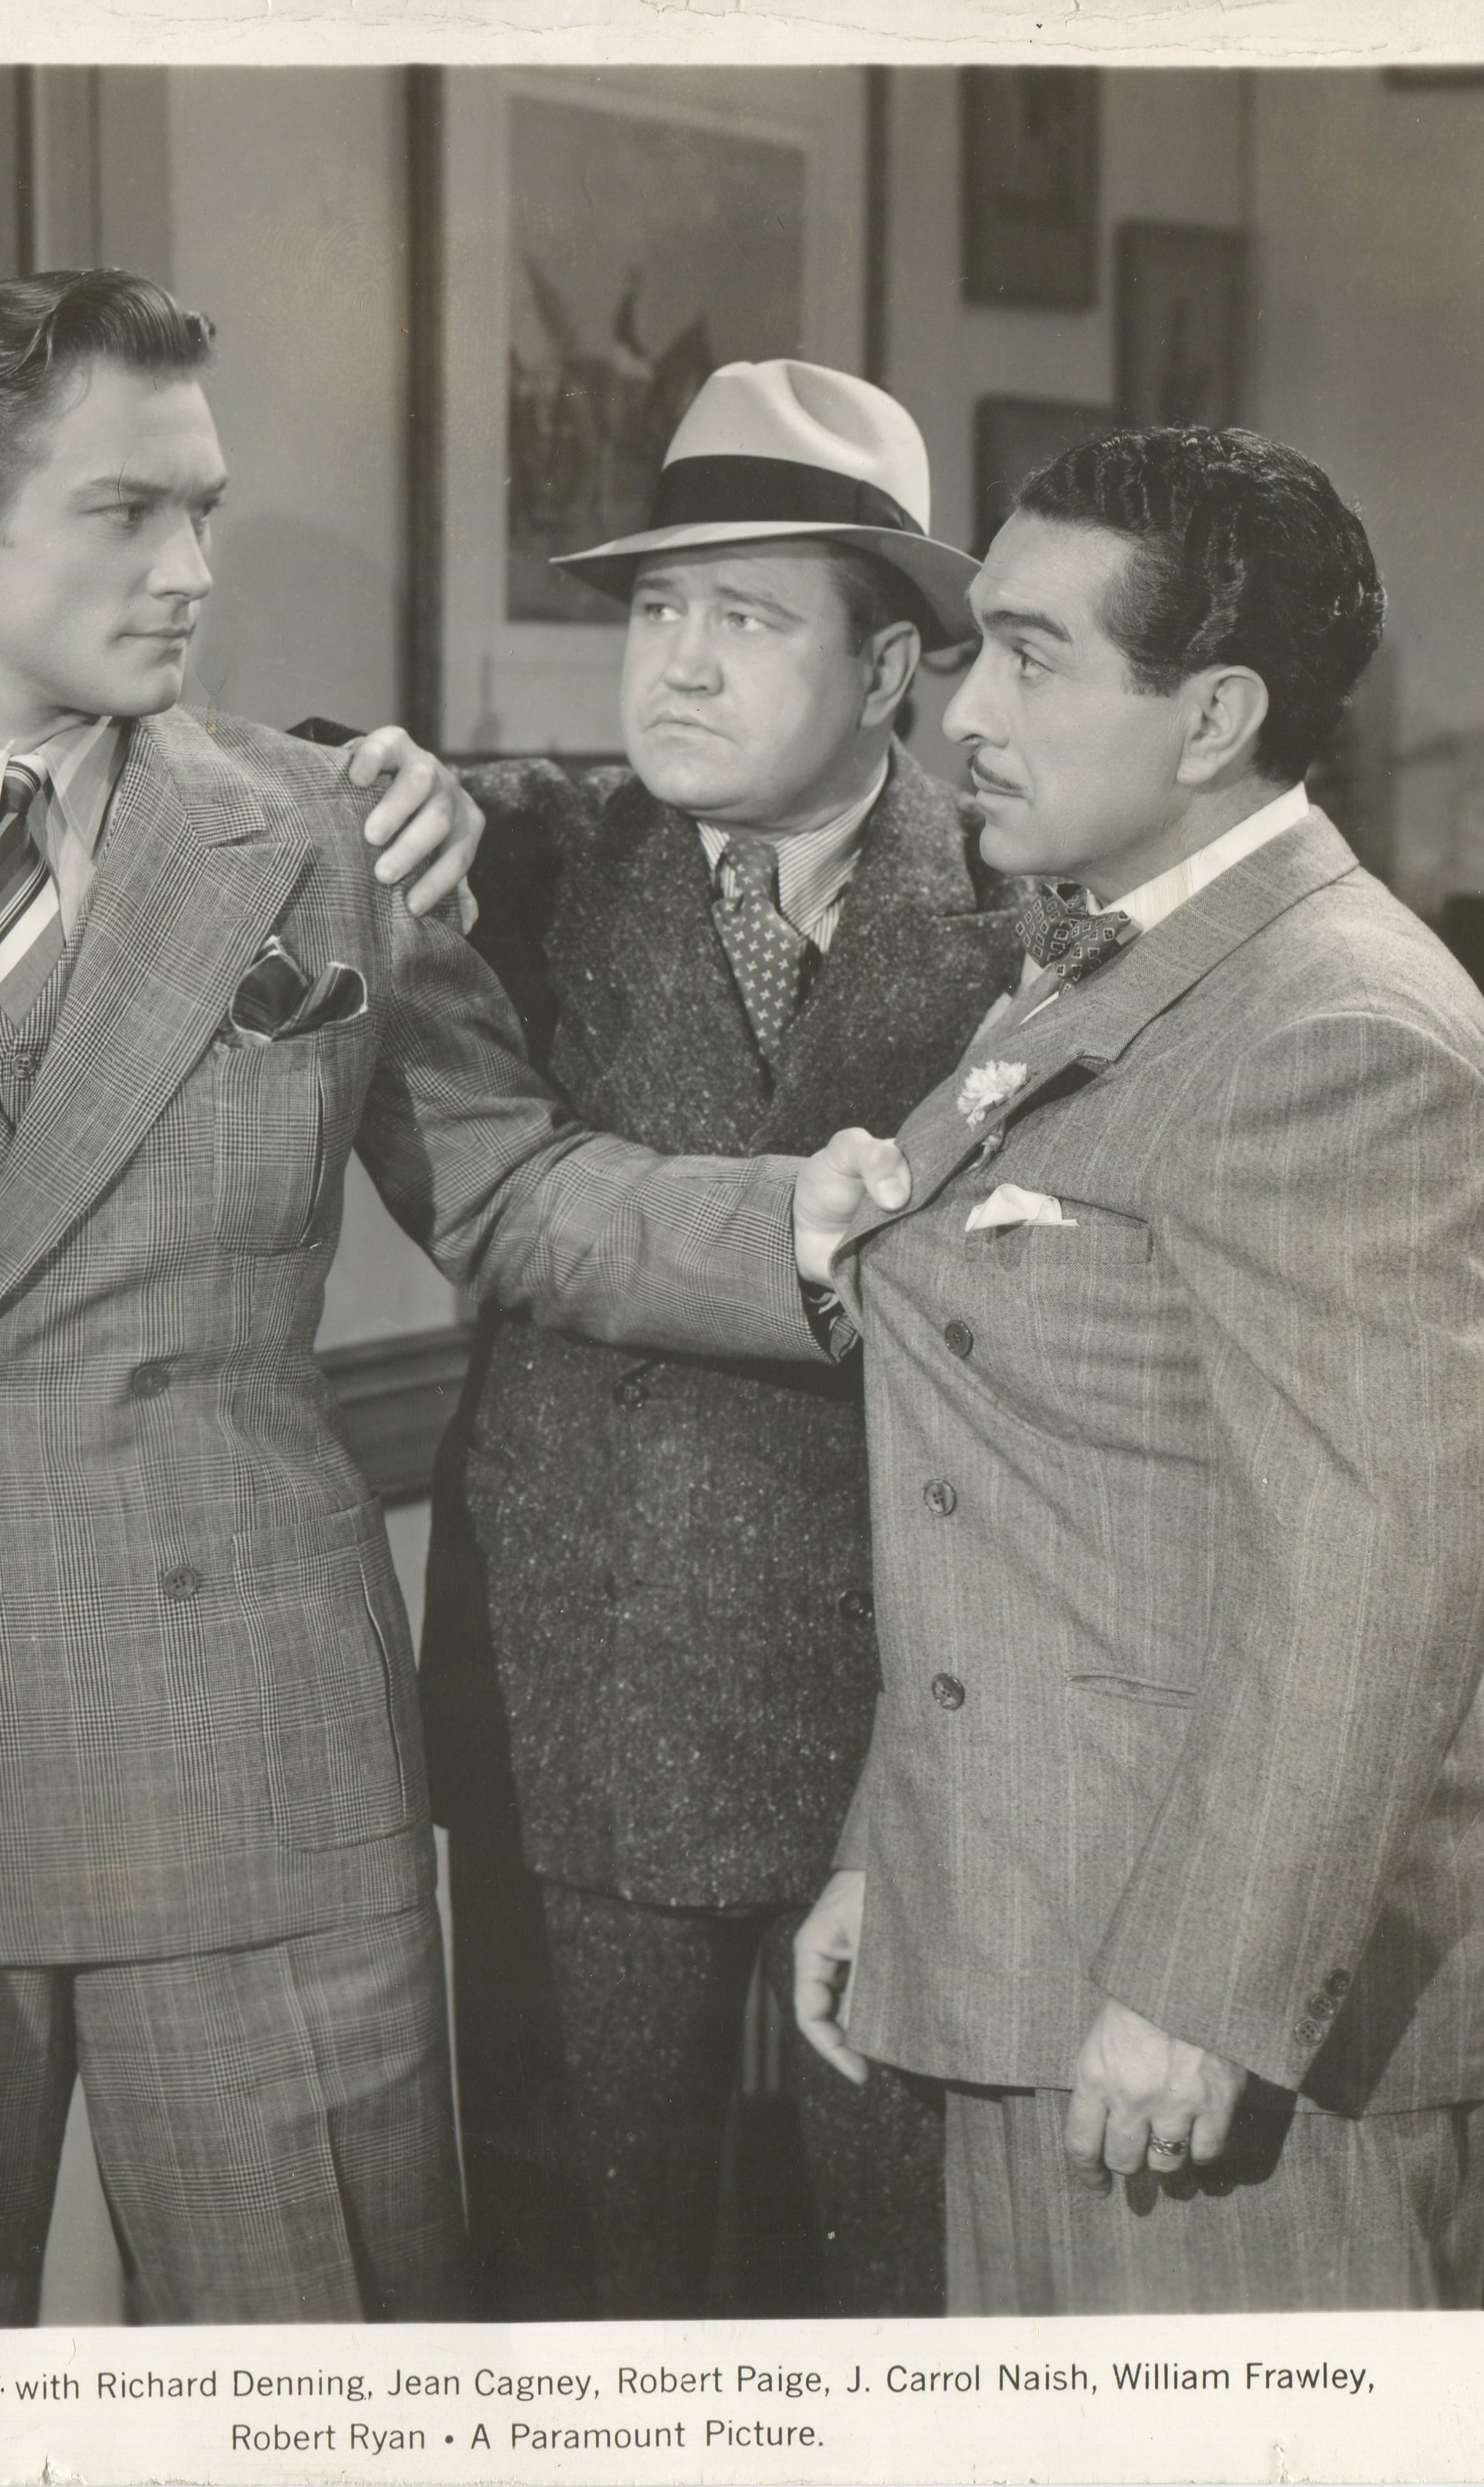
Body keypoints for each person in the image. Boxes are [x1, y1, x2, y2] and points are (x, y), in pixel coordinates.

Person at [0, 269, 835, 2326]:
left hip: (251, 1749)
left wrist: (828, 1229)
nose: (190, 572)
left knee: (317, 2370)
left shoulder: (315, 833)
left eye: (207, 513)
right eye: (126, 514)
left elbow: (511, 1189)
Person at [786, 424, 1484, 2313]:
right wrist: (904, 1850)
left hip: (1220, 2031)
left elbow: (1378, 1571)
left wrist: (1204, 1988)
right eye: (971, 648)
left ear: (1209, 718)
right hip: (1033, 1950)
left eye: (1028, 655)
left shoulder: (1333, 1026)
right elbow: (1025, 1483)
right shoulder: (1098, 965)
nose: (961, 707)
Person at [421, 360, 1022, 2319]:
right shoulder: (529, 860)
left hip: (919, 1706)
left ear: (888, 672)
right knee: (591, 2278)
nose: (672, 666)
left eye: (745, 620)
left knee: (907, 2275)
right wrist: (386, 771)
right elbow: (355, 779)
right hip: (585, 1683)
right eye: (655, 611)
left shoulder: (1026, 916)